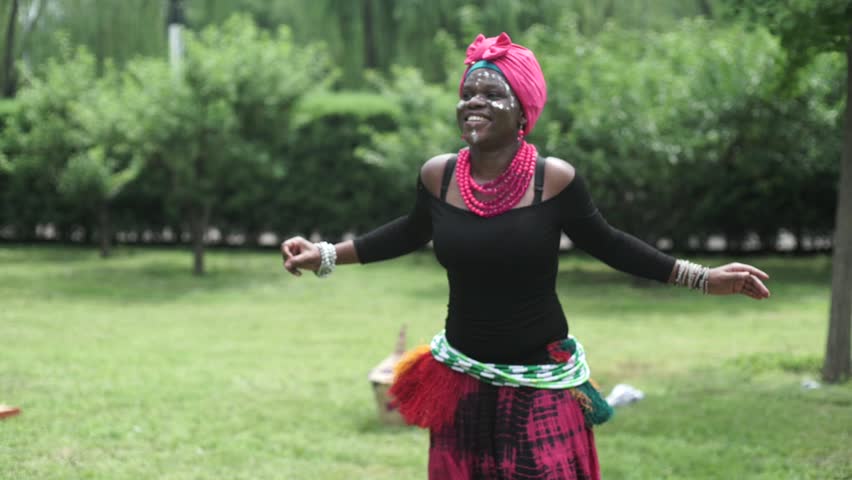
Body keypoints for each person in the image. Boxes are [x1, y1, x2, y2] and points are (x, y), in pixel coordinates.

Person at [280, 32, 771, 480]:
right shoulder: (439, 175)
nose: (475, 102)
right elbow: (406, 233)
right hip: (462, 379)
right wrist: (323, 254)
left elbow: (610, 244)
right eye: (468, 93)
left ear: (523, 113)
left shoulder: (552, 180)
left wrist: (703, 277)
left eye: (493, 94)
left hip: (541, 381)